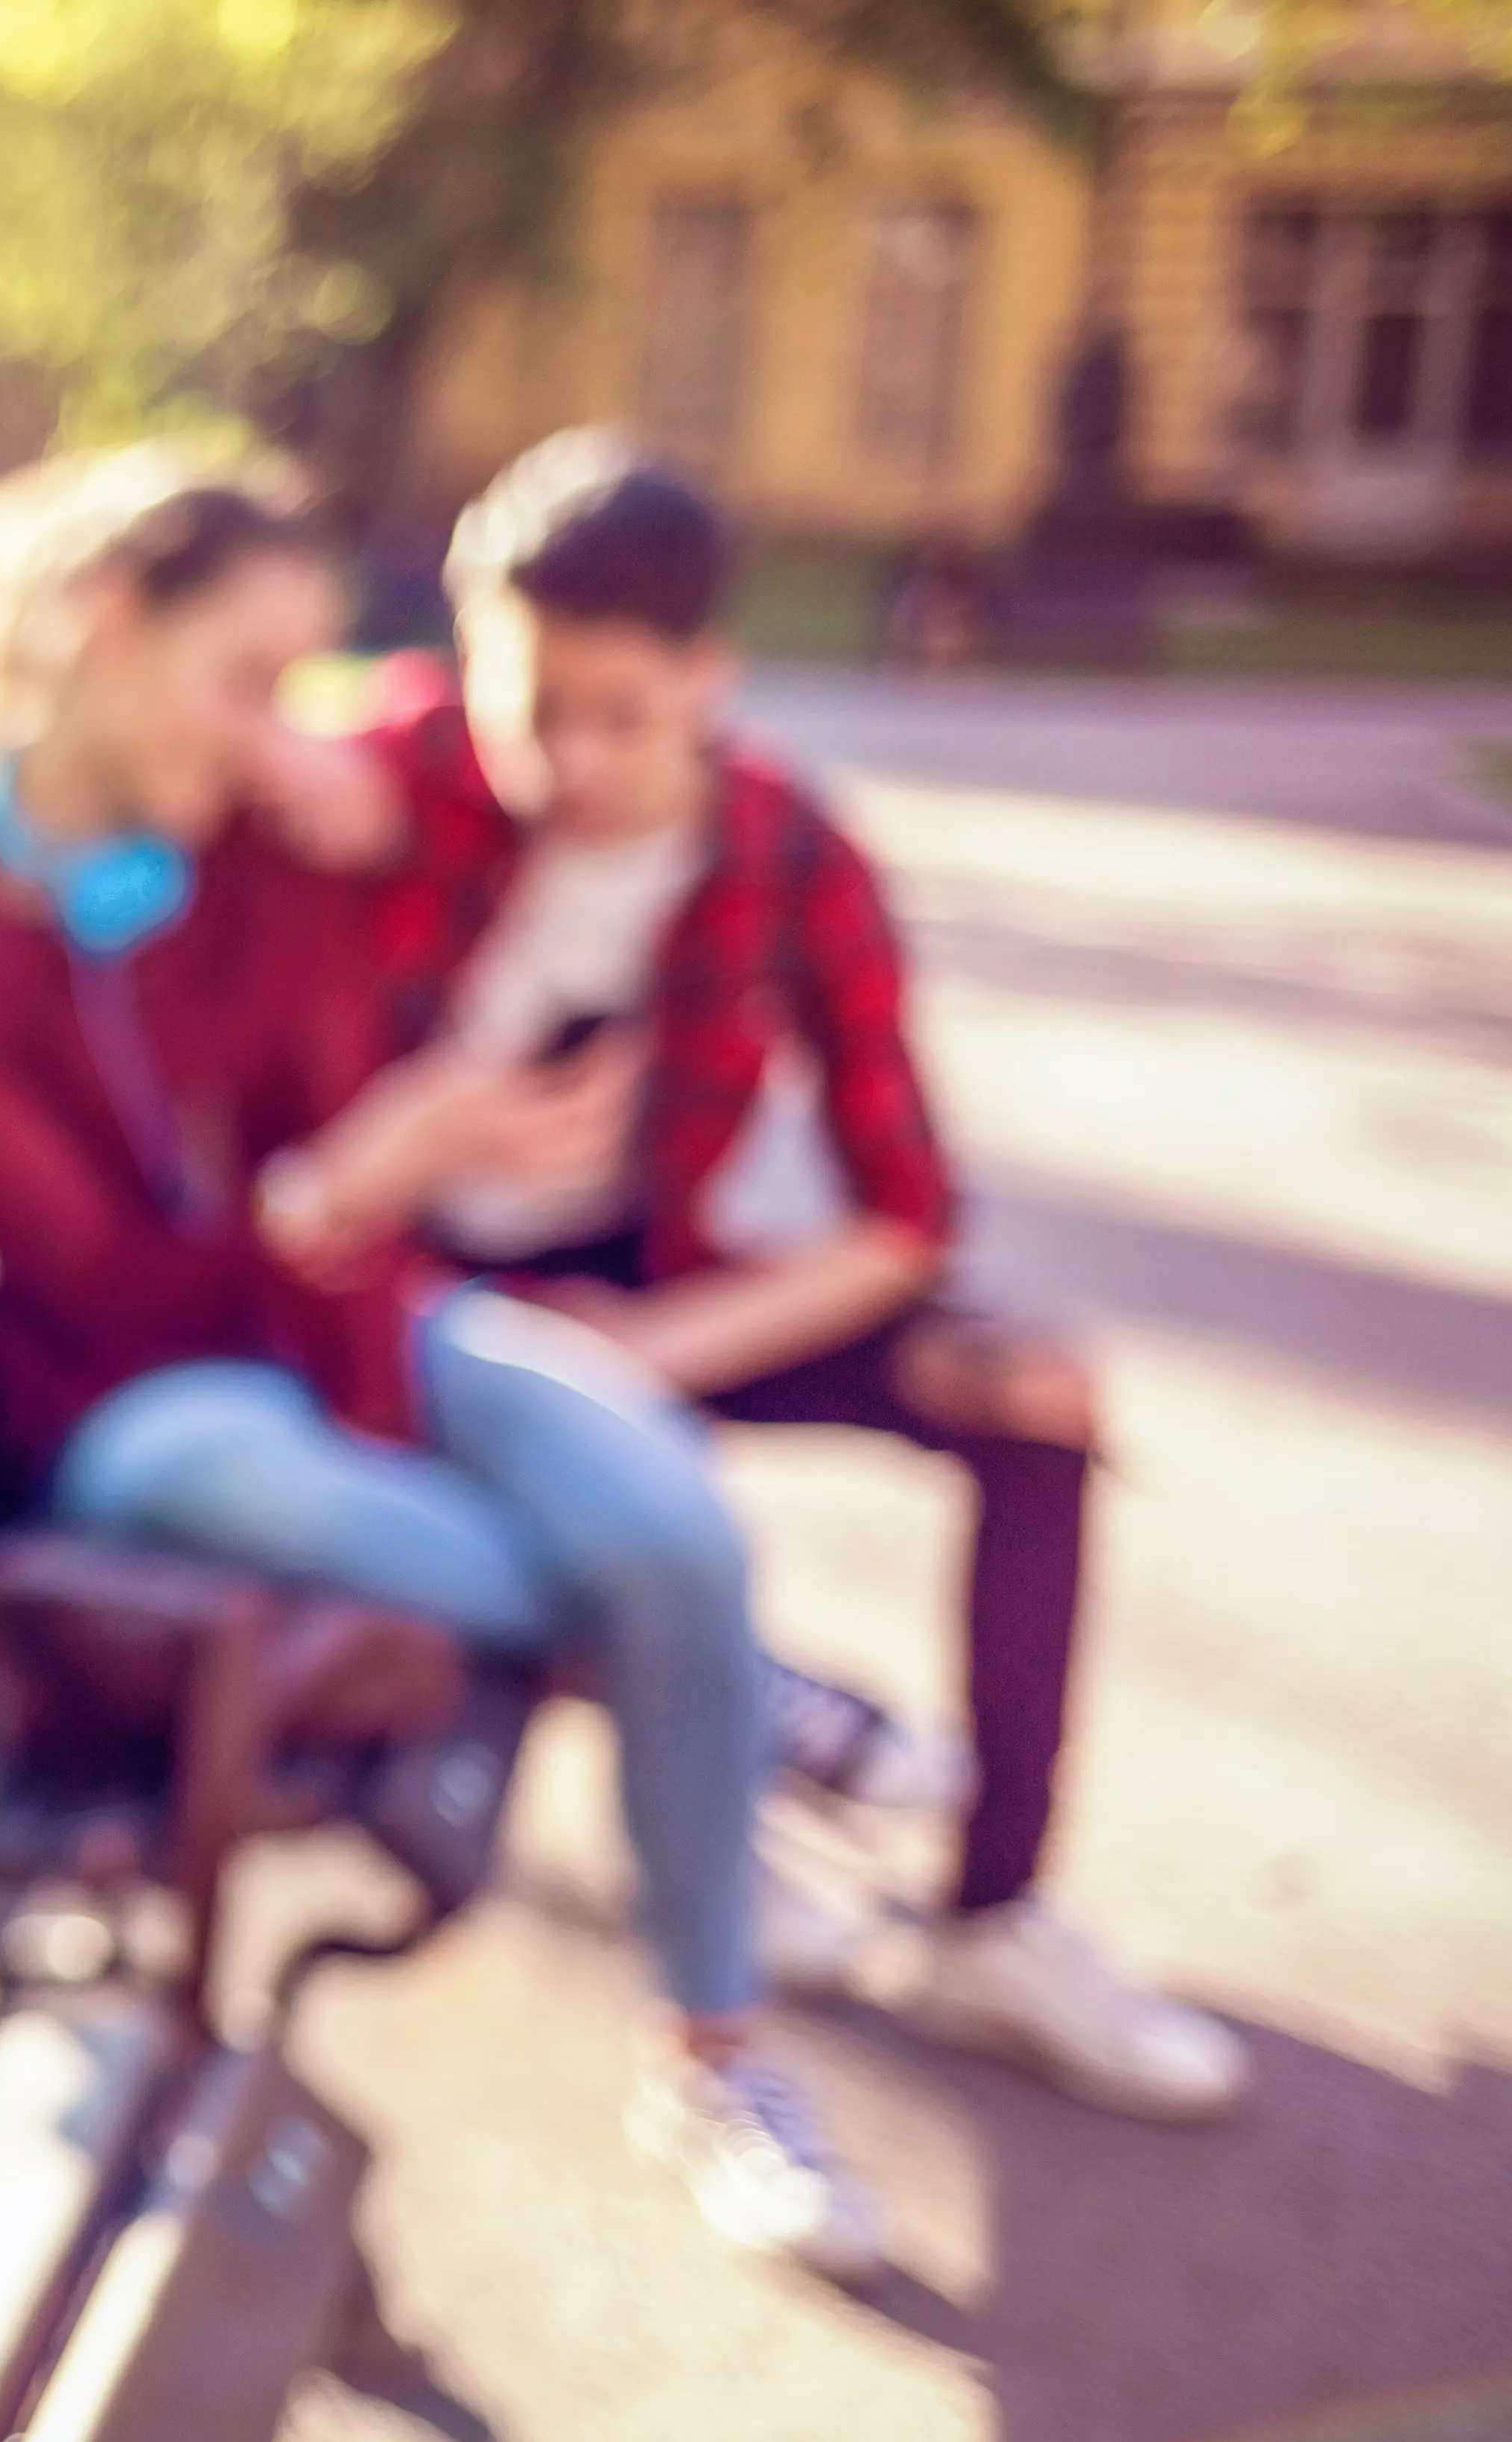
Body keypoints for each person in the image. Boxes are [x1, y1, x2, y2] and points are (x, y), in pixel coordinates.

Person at [0, 444, 890, 2280]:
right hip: (149, 1411)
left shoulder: (245, 847)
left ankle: (719, 2043)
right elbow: (117, 1286)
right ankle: (717, 1680)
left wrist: (359, 1155)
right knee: (476, 1535)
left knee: (668, 1514)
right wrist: (340, 1187)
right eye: (243, 677)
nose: (271, 730)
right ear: (99, 628)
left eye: (294, 688)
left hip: (357, 1326)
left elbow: (364, 1008)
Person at [264, 427, 1245, 2123]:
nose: (566, 759)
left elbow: (903, 1215)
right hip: (419, 1319)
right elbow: (200, 762)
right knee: (588, 1482)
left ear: (715, 679)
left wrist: (653, 1342)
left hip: (652, 1294)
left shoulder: (792, 854)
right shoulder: (394, 778)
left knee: (1040, 1392)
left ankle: (990, 1919)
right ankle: (760, 1752)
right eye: (528, 707)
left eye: (620, 716)